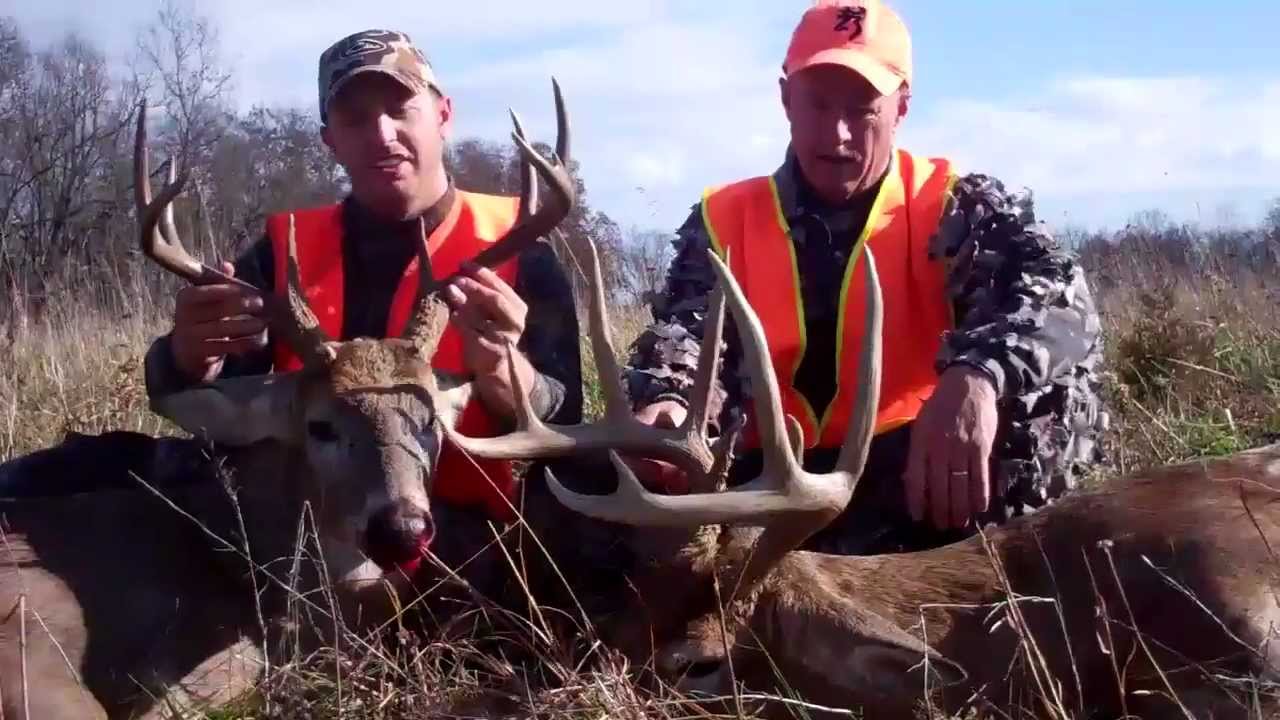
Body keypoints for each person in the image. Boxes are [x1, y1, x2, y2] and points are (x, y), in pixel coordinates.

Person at [622, 0, 1107, 555]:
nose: (838, 134)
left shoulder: (955, 205)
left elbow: (1061, 296)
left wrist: (978, 376)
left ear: (901, 107)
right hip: (767, 479)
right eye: (818, 104)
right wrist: (672, 400)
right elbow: (685, 334)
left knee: (1042, 381)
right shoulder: (723, 218)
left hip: (918, 473)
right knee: (597, 475)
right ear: (785, 99)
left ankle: (1015, 570)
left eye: (863, 109)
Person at [142, 29, 583, 521]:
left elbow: (570, 427)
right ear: (330, 140)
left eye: (400, 109)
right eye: (354, 118)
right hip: (318, 538)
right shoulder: (281, 260)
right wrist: (189, 359)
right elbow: (212, 400)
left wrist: (509, 375)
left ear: (442, 115)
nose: (382, 135)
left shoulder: (522, 254)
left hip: (484, 539)